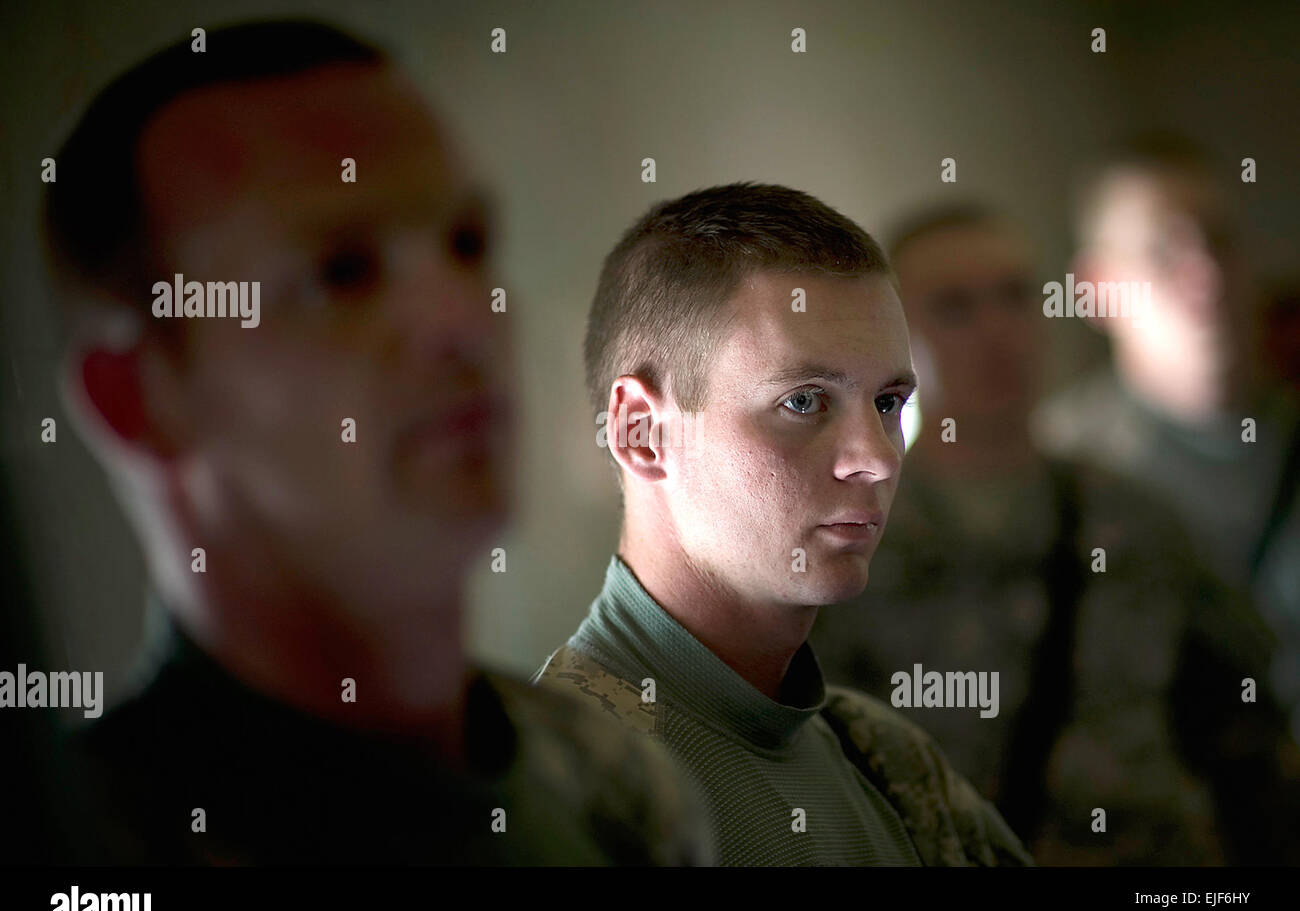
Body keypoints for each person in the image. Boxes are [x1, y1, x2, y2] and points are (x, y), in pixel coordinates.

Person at [42, 19, 709, 866]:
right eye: (341, 272)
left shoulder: (622, 793)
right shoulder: (72, 851)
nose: (467, 321)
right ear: (133, 397)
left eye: (467, 245)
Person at [535, 182, 1031, 866]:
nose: (878, 460)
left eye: (889, 401)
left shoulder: (888, 764)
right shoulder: (559, 791)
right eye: (804, 401)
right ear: (643, 434)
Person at [811, 204, 1300, 864]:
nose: (997, 331)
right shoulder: (849, 539)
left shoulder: (1136, 521)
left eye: (1015, 297)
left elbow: (1248, 742)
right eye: (955, 307)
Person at [1035, 134, 1300, 737]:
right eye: (1161, 252)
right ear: (1095, 290)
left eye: (1220, 242)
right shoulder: (1061, 473)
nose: (1205, 274)